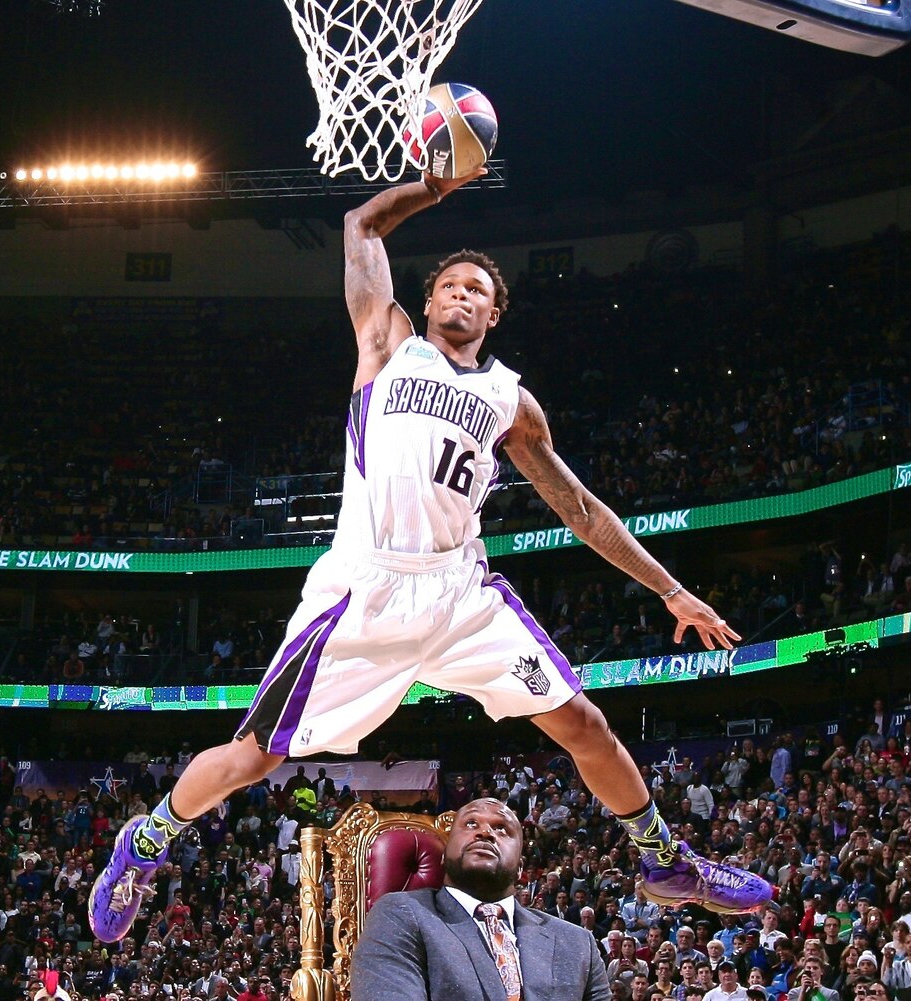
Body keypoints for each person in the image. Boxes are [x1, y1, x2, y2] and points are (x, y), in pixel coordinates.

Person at [86, 169, 769, 941]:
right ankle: (143, 843)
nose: (460, 294)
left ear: (494, 310)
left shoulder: (511, 398)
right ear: (429, 297)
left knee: (585, 722)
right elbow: (362, 227)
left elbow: (579, 509)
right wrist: (436, 184)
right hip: (363, 592)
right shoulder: (387, 343)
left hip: (457, 592)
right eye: (448, 283)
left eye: (476, 288)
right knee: (253, 756)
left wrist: (671, 590)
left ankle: (663, 859)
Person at [349, 797, 609, 1001]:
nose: (485, 832)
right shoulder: (401, 914)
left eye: (501, 828)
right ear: (443, 857)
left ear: (520, 867)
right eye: (471, 824)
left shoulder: (576, 942)